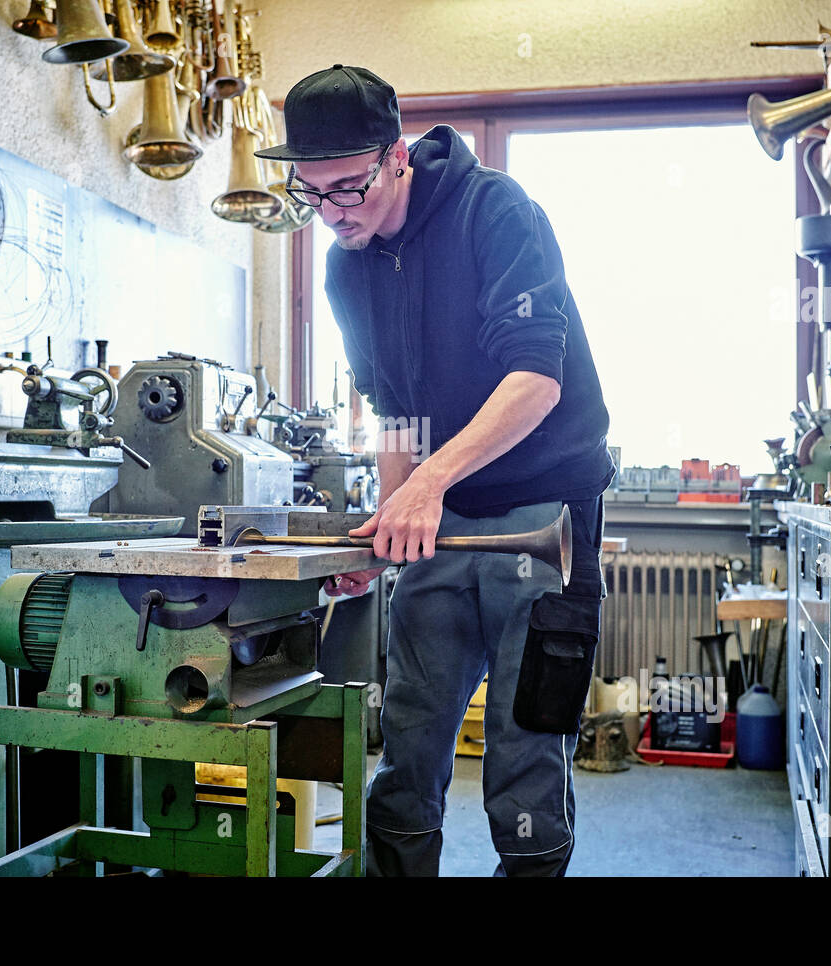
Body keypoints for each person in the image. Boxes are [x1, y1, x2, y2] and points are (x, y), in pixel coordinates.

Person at [256, 65, 615, 877]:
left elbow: (535, 379)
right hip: (441, 518)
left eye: (348, 189)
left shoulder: (497, 213)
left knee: (524, 754)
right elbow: (398, 413)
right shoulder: (348, 265)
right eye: (312, 195)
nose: (333, 214)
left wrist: (427, 486)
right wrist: (385, 527)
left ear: (397, 158)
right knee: (409, 738)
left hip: (545, 513)